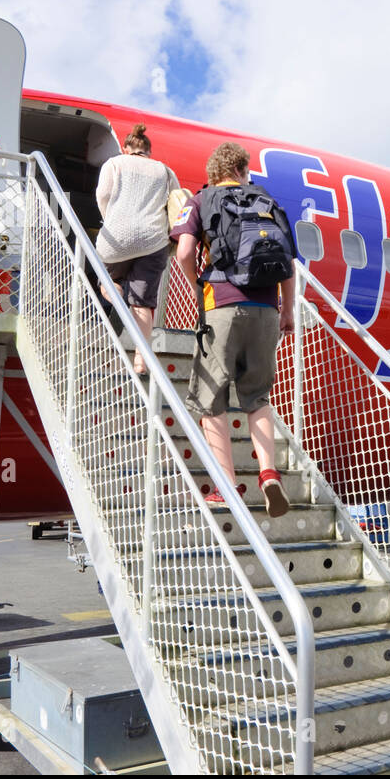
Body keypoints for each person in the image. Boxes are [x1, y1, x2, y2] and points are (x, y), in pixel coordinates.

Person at [170, 142, 294, 517]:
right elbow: (288, 262)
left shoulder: (200, 200)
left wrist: (198, 283)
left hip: (221, 306)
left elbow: (184, 253)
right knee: (257, 396)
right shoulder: (268, 201)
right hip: (266, 310)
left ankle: (226, 486)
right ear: (242, 169)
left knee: (211, 399)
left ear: (212, 172)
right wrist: (287, 311)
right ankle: (268, 473)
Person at [95, 123, 180, 374]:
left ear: (126, 148)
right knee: (143, 302)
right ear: (148, 151)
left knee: (109, 282)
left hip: (116, 239)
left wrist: (111, 219)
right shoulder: (165, 171)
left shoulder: (114, 163)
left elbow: (103, 196)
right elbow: (176, 203)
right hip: (153, 241)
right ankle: (142, 358)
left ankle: (119, 302)